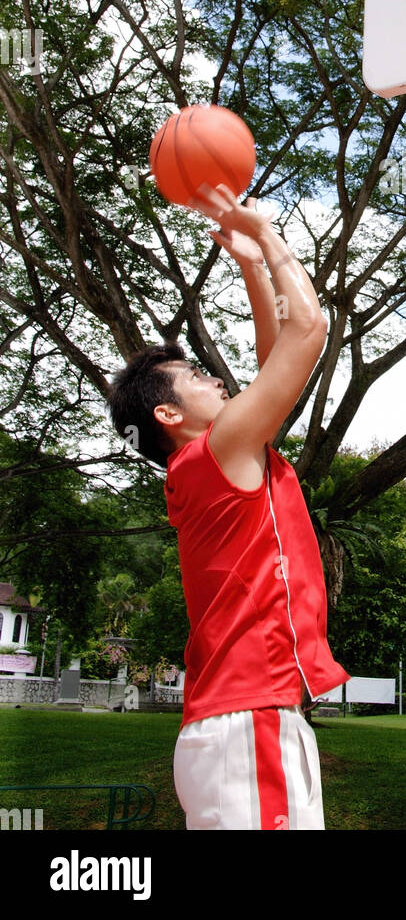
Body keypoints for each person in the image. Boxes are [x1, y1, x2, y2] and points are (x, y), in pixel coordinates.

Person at [107, 184, 349, 830]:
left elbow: (273, 366)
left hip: (239, 725)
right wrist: (266, 237)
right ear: (168, 413)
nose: (217, 378)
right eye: (196, 379)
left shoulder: (211, 462)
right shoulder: (217, 454)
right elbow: (310, 329)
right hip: (249, 724)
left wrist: (245, 264)